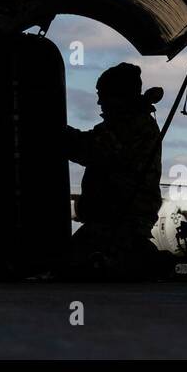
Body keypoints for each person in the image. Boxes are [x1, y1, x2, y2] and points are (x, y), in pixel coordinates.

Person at [60, 62, 165, 278]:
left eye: (103, 95)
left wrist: (55, 132)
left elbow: (89, 149)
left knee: (69, 266)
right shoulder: (130, 123)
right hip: (117, 222)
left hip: (119, 223)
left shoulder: (130, 126)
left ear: (119, 96)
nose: (99, 102)